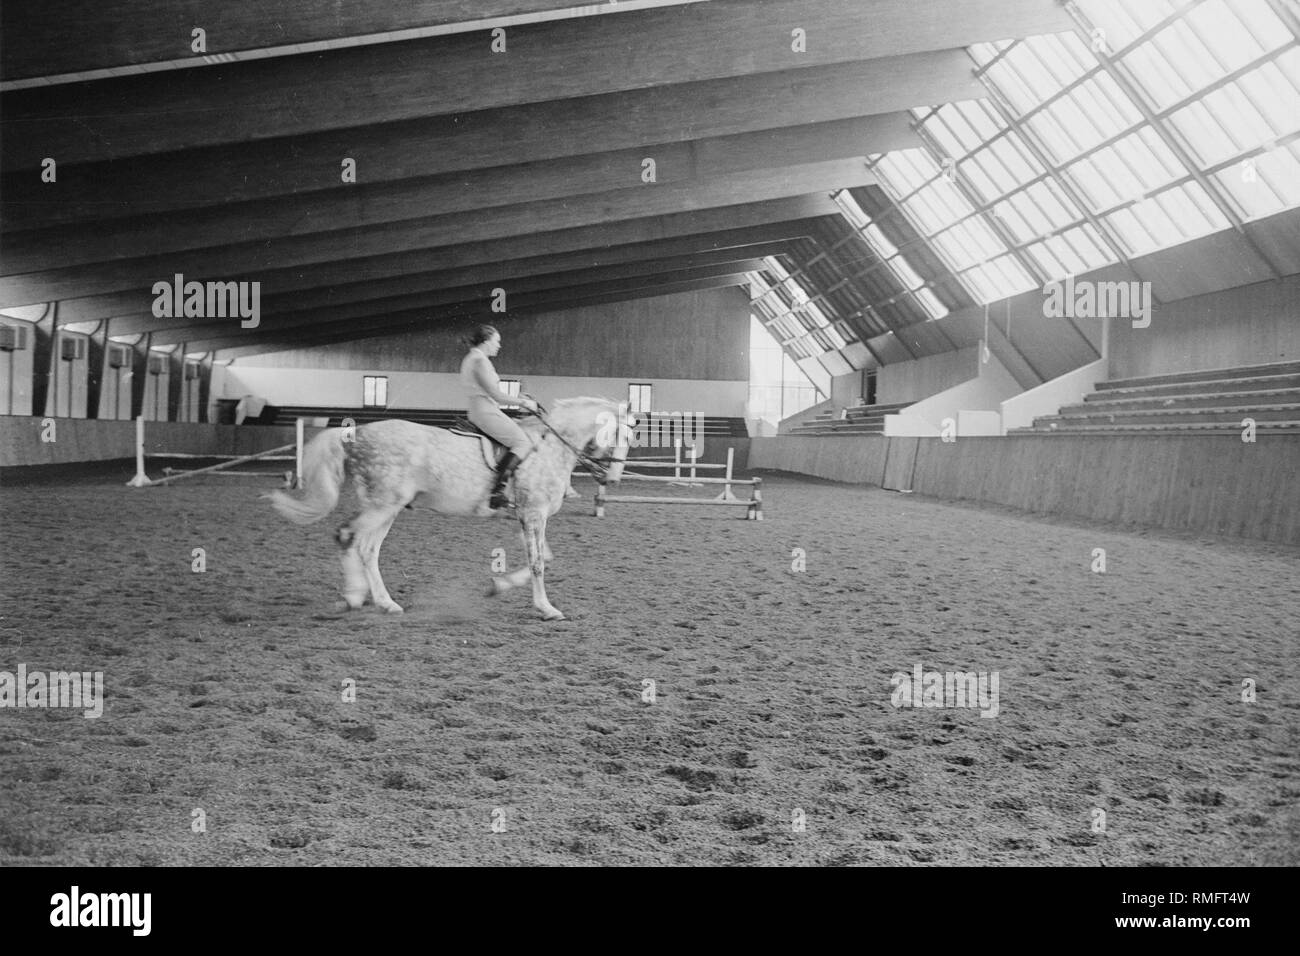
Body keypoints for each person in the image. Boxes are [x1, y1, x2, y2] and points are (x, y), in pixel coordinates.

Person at [460, 325, 539, 509]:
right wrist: (524, 403)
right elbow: (496, 395)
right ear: (486, 341)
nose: (499, 345)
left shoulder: (474, 358)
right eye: (497, 341)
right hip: (486, 410)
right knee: (523, 443)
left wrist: (518, 398)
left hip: (483, 408)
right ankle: (498, 490)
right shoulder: (480, 361)